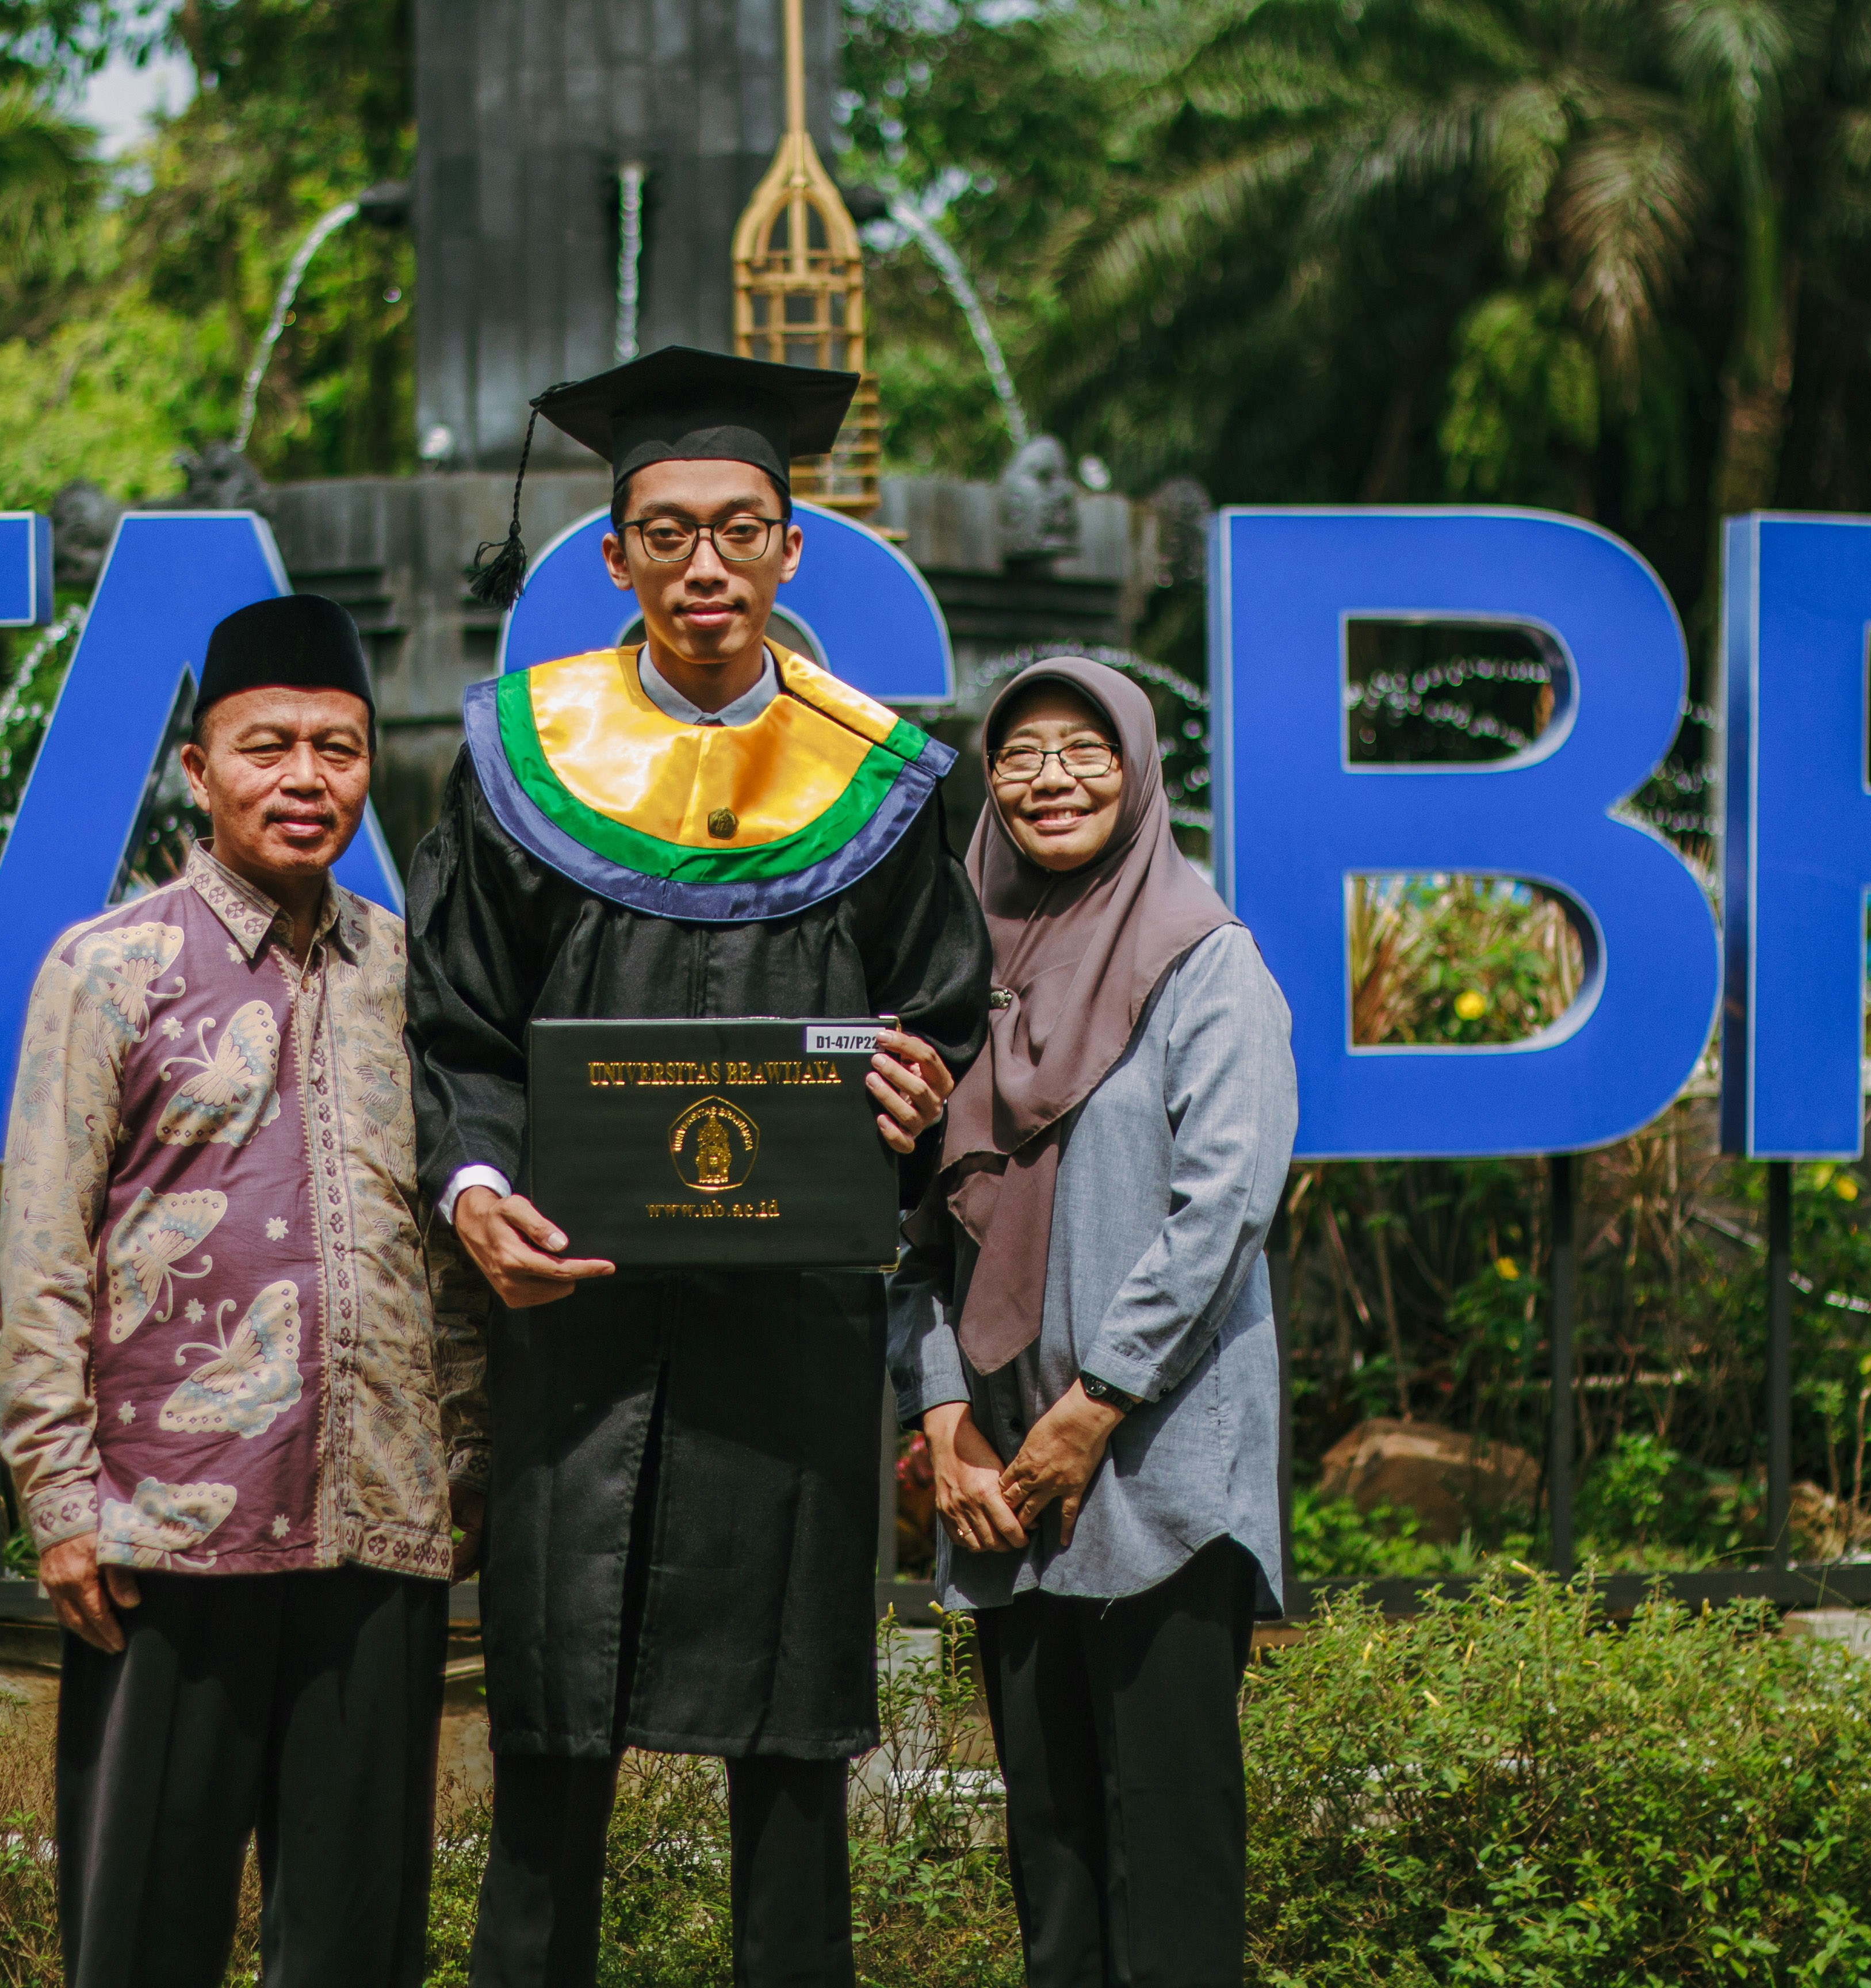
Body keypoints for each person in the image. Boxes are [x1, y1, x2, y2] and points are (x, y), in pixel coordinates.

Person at [410, 345, 992, 1988]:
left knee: (792, 1749)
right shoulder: (527, 758)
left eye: (740, 528)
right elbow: (457, 1029)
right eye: (666, 532)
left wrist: (915, 1086)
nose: (706, 565)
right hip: (574, 1319)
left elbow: (943, 1018)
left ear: (795, 550)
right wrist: (475, 1195)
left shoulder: (878, 777)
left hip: (788, 1322)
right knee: (551, 1735)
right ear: (614, 558)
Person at [0, 592, 483, 1988]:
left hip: (377, 1522)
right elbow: (41, 1242)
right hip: (169, 1531)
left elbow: (447, 1243)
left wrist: (465, 1465)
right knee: (144, 1924)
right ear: (197, 771)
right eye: (266, 746)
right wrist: (59, 1493)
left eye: (336, 748)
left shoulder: (410, 974)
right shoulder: (110, 970)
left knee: (353, 1939)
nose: (305, 778)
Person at [889, 657, 1298, 1988]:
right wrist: (944, 1416)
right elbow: (917, 1223)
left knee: (1166, 1855)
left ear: (1136, 769)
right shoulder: (963, 979)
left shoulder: (1205, 961)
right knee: (1050, 1861)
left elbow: (1223, 1202)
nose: (1047, 776)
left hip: (1154, 1466)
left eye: (1082, 749)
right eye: (1016, 754)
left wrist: (1093, 1402)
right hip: (1007, 1482)